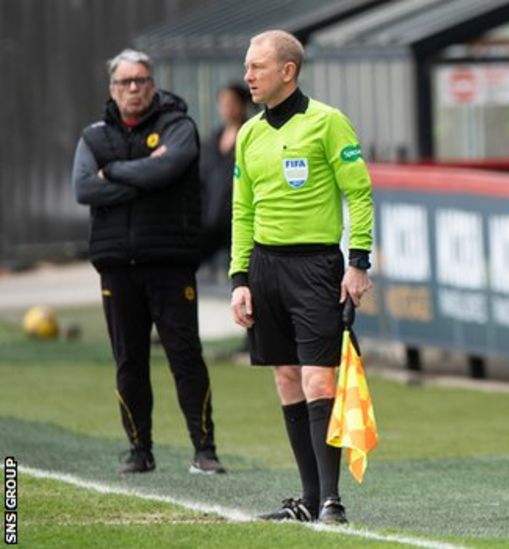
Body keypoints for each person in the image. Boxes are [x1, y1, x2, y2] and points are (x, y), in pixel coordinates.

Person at [230, 30, 374, 525]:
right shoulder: (248, 134)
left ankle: (332, 499)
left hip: (316, 267)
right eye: (247, 67)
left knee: (318, 377)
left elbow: (359, 193)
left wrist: (358, 262)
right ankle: (309, 499)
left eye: (257, 67)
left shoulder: (328, 122)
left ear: (287, 71)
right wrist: (239, 278)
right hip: (265, 269)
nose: (248, 76)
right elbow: (242, 210)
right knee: (287, 377)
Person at [71, 49, 224, 475]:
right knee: (129, 361)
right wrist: (144, 177)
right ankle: (140, 450)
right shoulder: (94, 137)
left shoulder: (178, 126)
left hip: (170, 262)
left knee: (185, 356)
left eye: (141, 80)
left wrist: (114, 172)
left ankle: (205, 449)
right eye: (126, 82)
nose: (134, 88)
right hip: (117, 265)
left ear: (153, 84)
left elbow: (168, 169)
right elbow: (83, 189)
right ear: (112, 89)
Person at [200, 83, 250, 267]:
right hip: (213, 215)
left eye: (232, 103)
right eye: (223, 103)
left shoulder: (251, 134)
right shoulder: (213, 139)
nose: (227, 108)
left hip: (238, 215)